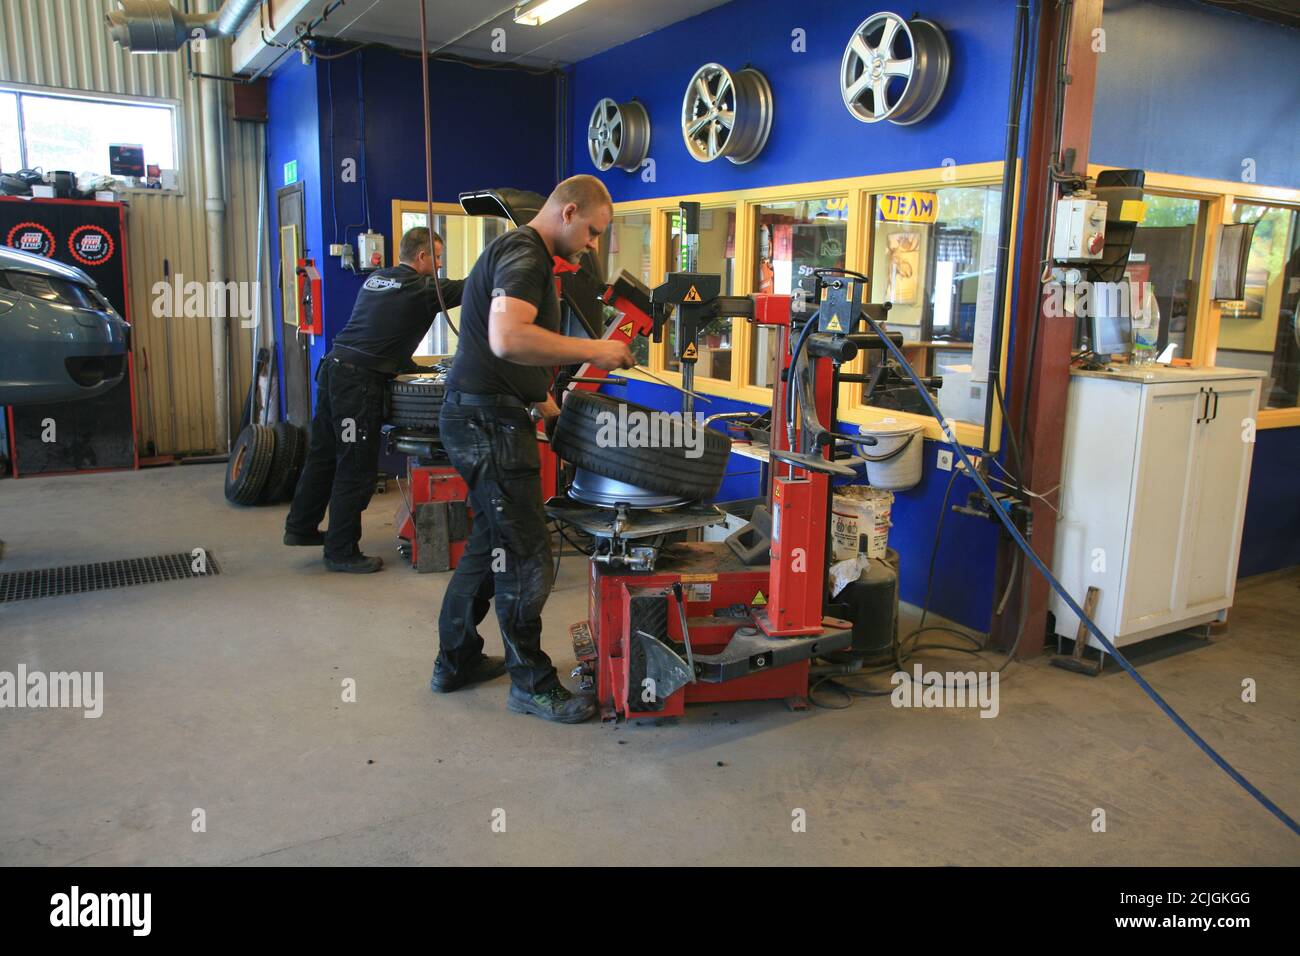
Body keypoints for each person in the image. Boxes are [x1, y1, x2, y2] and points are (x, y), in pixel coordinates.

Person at [431, 175, 635, 723]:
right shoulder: (526, 253)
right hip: (487, 425)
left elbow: (502, 354)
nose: (593, 244)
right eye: (593, 232)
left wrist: (545, 402)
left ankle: (456, 660)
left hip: (482, 414)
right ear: (569, 212)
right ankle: (532, 683)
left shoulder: (522, 253)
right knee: (527, 556)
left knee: (488, 544)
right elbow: (507, 339)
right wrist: (599, 349)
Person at [284, 227, 463, 573]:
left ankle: (300, 527)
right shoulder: (422, 288)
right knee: (355, 465)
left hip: (334, 370)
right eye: (437, 258)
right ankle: (341, 551)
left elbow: (379, 334)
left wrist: (407, 365)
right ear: (422, 257)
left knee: (323, 455)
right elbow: (472, 287)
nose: (440, 266)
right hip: (357, 385)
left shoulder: (378, 279)